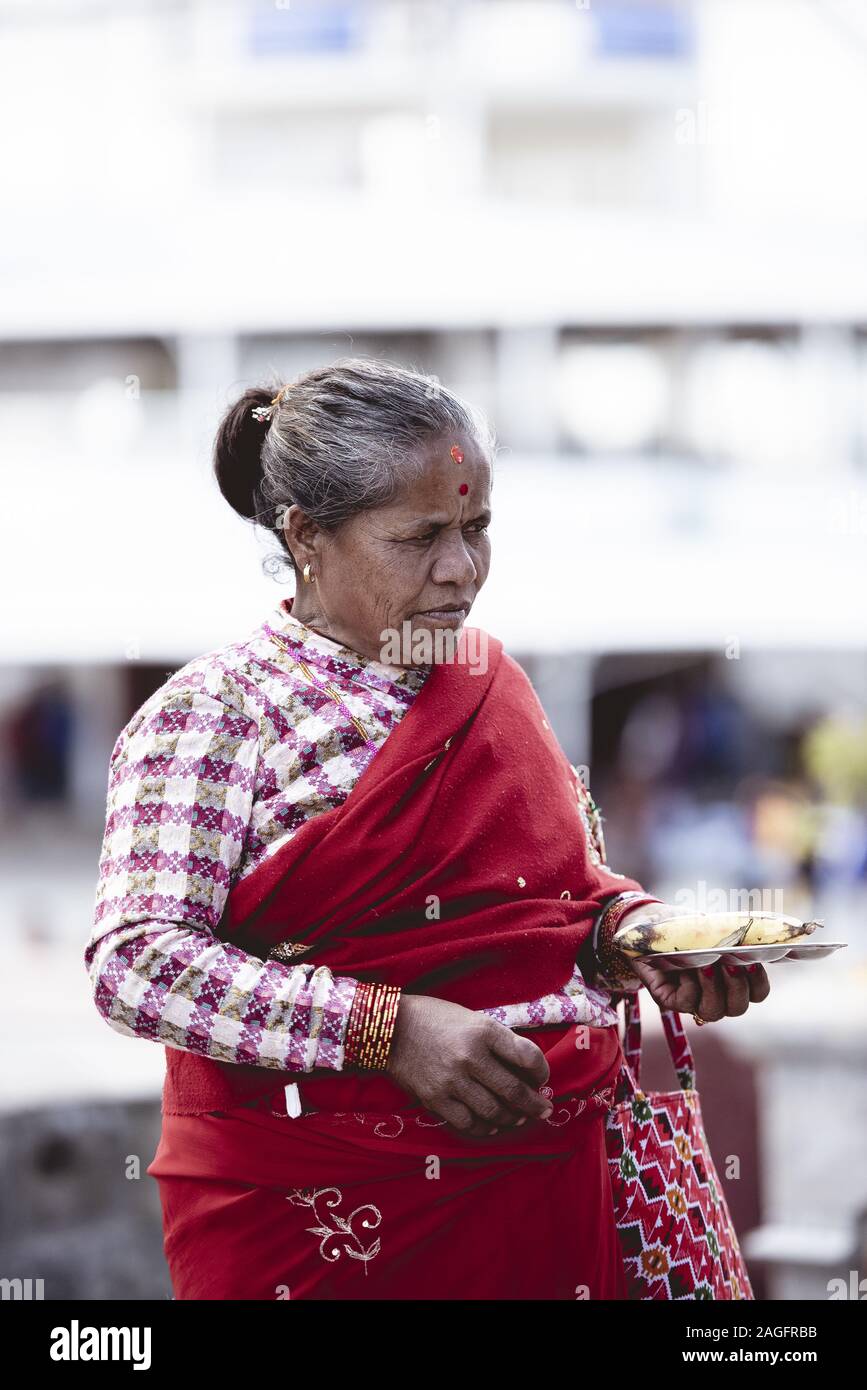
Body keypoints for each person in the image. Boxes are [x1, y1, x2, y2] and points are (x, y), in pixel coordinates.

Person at [85, 358, 770, 1300]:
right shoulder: (217, 713)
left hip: (549, 1189)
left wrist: (640, 940)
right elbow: (136, 964)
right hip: (324, 1214)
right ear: (306, 538)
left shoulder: (492, 684)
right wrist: (387, 1030)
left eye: (477, 529)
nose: (462, 570)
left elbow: (553, 905)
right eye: (420, 538)